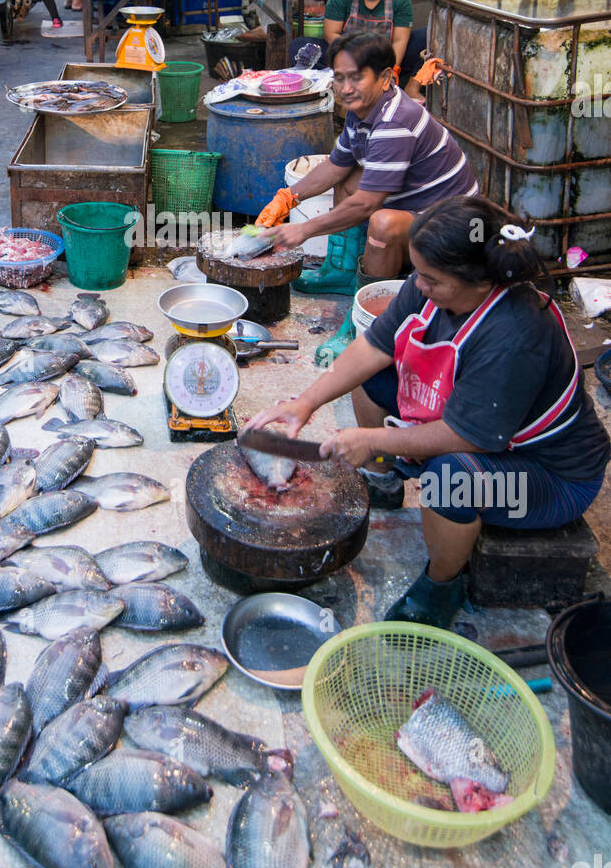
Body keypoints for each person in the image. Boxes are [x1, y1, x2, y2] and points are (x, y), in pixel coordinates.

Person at [246, 196, 610, 629]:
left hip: (550, 477)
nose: (418, 285)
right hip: (482, 426)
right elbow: (374, 346)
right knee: (374, 377)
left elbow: (466, 438)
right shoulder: (433, 288)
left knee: (449, 478)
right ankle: (384, 480)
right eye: (418, 271)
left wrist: (372, 440)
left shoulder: (517, 332)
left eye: (431, 279)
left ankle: (441, 586)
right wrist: (304, 403)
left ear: (480, 281)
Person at [258, 31, 478, 358]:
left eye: (357, 78)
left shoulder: (395, 121)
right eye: (340, 78)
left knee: (382, 224)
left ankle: (363, 321)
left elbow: (367, 204)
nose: (346, 89)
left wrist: (303, 230)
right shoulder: (360, 112)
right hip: (418, 209)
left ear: (387, 77)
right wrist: (287, 197)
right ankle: (342, 270)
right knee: (348, 175)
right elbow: (335, 166)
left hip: (454, 230)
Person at [320, 0, 423, 98]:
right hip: (349, 54)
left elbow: (400, 40)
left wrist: (392, 69)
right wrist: (353, 57)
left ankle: (409, 85)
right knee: (300, 46)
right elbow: (330, 33)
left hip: (384, 56)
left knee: (426, 37)